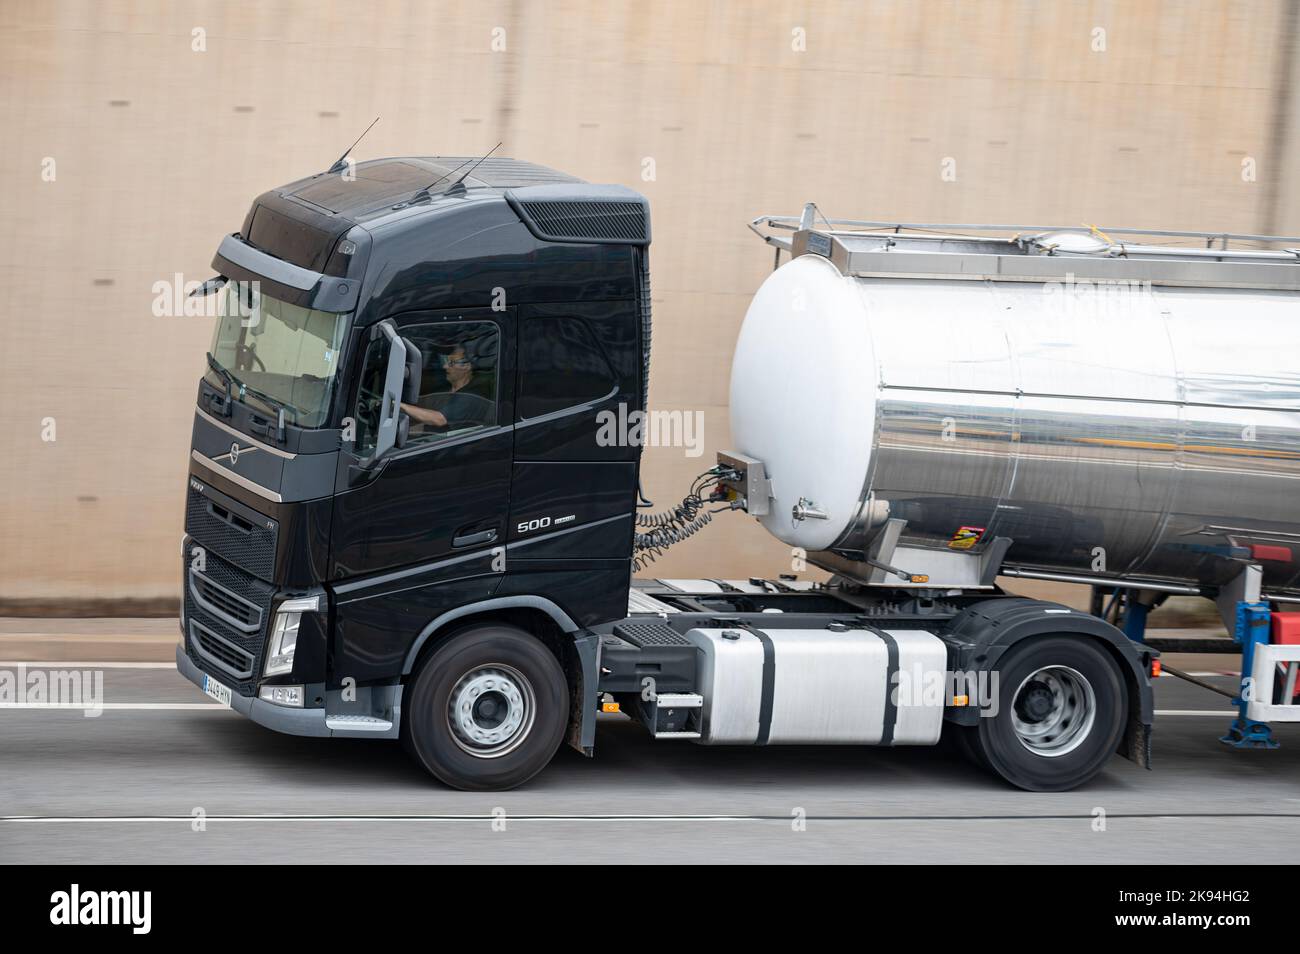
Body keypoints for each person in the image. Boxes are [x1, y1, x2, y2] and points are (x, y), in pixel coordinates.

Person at [400, 344, 494, 433]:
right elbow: (428, 426)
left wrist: (400, 406)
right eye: (446, 361)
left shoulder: (470, 396)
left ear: (466, 366)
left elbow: (439, 419)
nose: (445, 366)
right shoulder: (445, 390)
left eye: (451, 363)